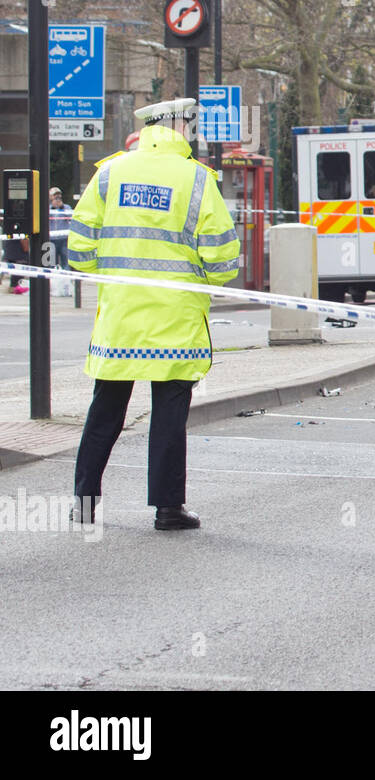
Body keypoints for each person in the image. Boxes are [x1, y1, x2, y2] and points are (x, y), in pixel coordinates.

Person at [67, 99, 240, 530]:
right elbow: (223, 260)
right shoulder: (197, 179)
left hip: (121, 320)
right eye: (192, 122)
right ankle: (168, 509)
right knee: (168, 416)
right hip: (175, 324)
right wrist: (201, 278)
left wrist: (114, 272)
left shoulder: (109, 173)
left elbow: (78, 251)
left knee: (105, 411)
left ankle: (85, 504)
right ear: (178, 124)